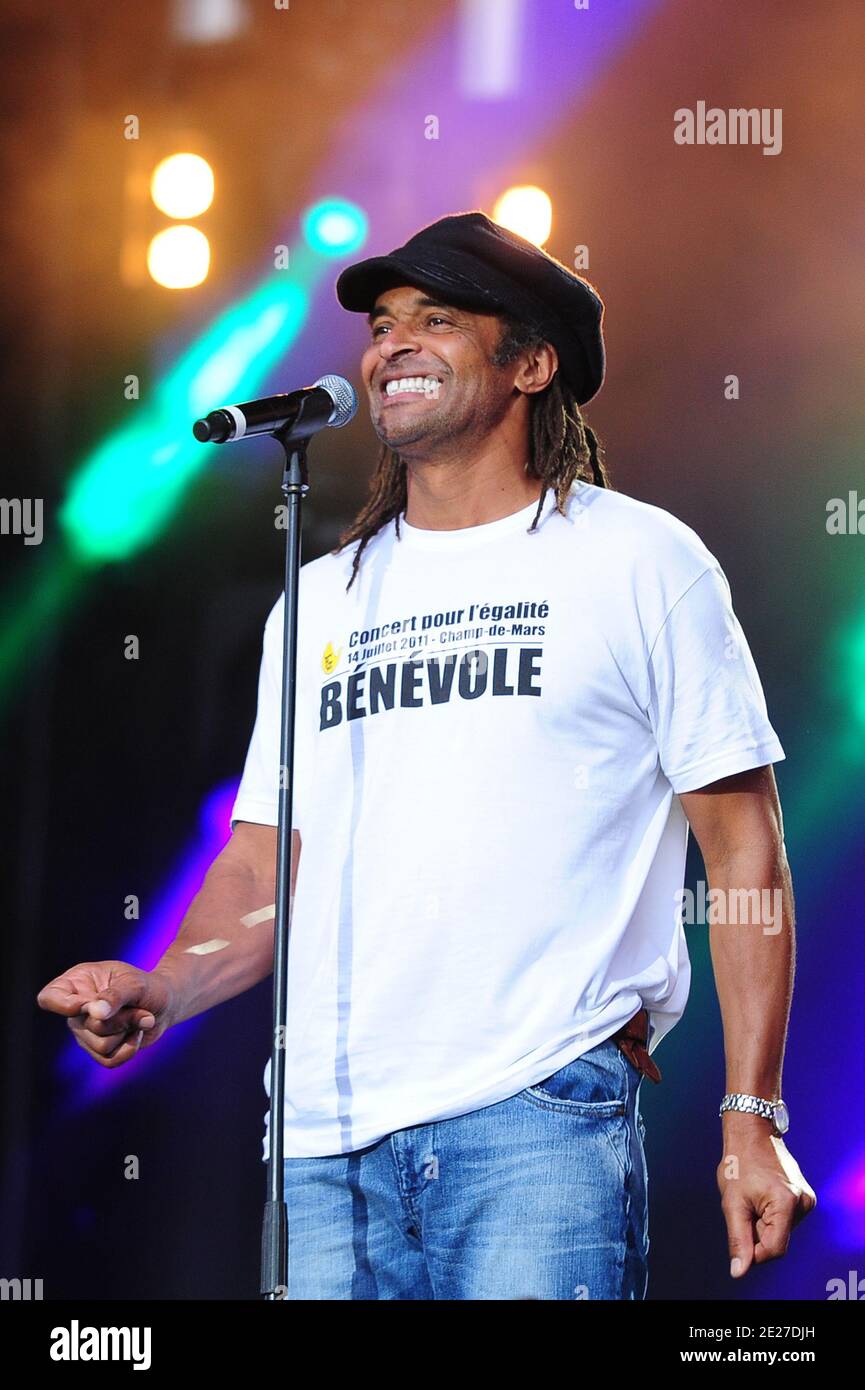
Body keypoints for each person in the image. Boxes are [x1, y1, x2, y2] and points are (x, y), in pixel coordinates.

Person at [38, 211, 815, 1300]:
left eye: (436, 320)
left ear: (532, 364)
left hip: (537, 1122)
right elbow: (263, 866)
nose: (388, 346)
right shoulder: (317, 600)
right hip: (321, 1142)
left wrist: (751, 1114)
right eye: (382, 324)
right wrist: (165, 983)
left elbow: (742, 852)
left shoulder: (639, 561)